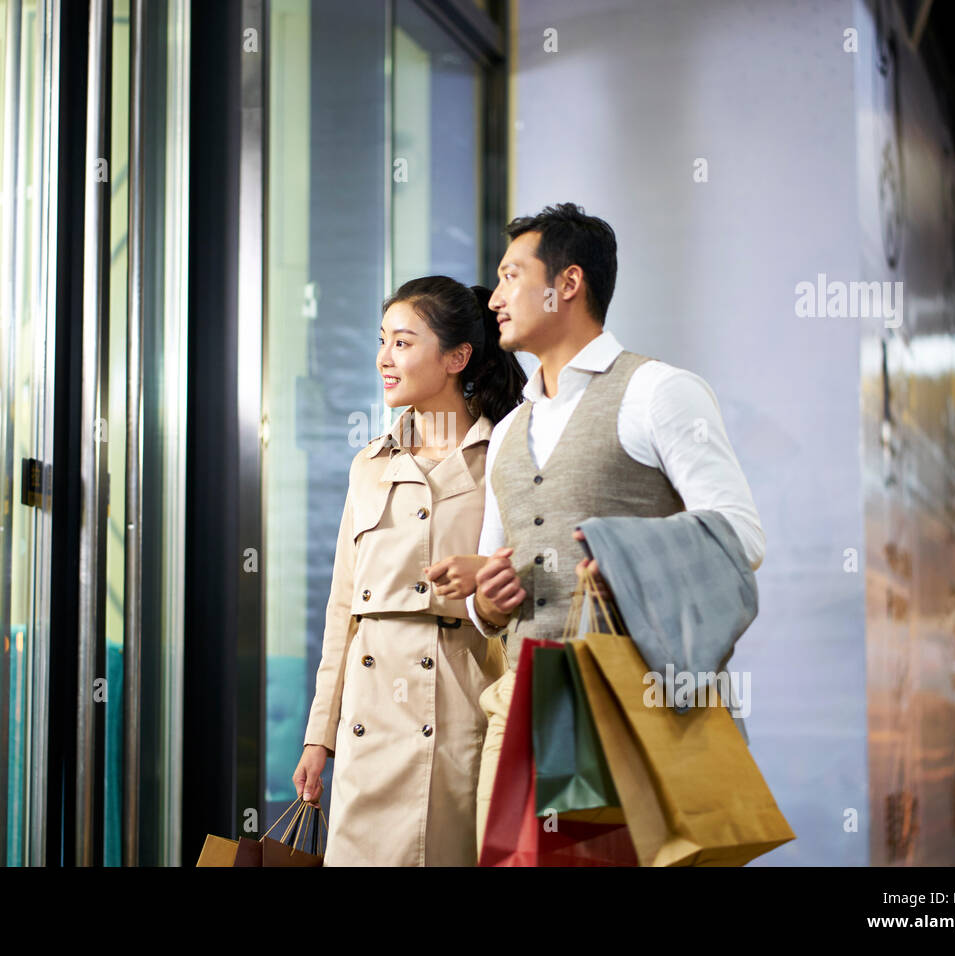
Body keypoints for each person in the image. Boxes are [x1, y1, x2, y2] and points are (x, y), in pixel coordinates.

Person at [467, 202, 766, 856]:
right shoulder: (511, 430)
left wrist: (627, 561)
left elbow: (740, 536)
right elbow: (492, 581)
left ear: (566, 284)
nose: (494, 298)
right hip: (521, 706)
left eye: (511, 276)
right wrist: (484, 600)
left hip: (634, 700)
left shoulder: (658, 390)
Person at [293, 275, 527, 866]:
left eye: (403, 342)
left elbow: (529, 582)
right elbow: (343, 607)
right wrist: (319, 736)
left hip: (456, 707)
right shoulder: (368, 465)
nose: (383, 359)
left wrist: (482, 584)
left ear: (457, 357)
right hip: (368, 722)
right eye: (382, 341)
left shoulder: (503, 456)